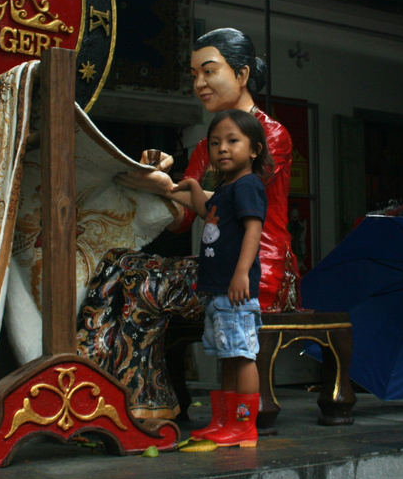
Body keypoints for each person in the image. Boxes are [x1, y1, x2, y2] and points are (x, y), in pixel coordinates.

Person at [126, 27, 301, 312]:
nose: (199, 84)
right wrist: (152, 180)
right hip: (214, 261)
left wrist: (167, 187)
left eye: (208, 72)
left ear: (241, 75)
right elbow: (182, 220)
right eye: (194, 75)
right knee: (128, 273)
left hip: (258, 265)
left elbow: (232, 205)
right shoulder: (205, 146)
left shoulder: (271, 135)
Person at [173, 109, 270, 447]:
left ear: (254, 150)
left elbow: (254, 229)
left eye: (232, 141)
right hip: (218, 291)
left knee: (242, 354)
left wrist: (242, 273)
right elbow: (205, 211)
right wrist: (193, 185)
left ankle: (244, 426)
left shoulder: (248, 184)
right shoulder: (227, 187)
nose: (222, 149)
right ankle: (225, 421)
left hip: (235, 290)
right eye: (215, 143)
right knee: (228, 355)